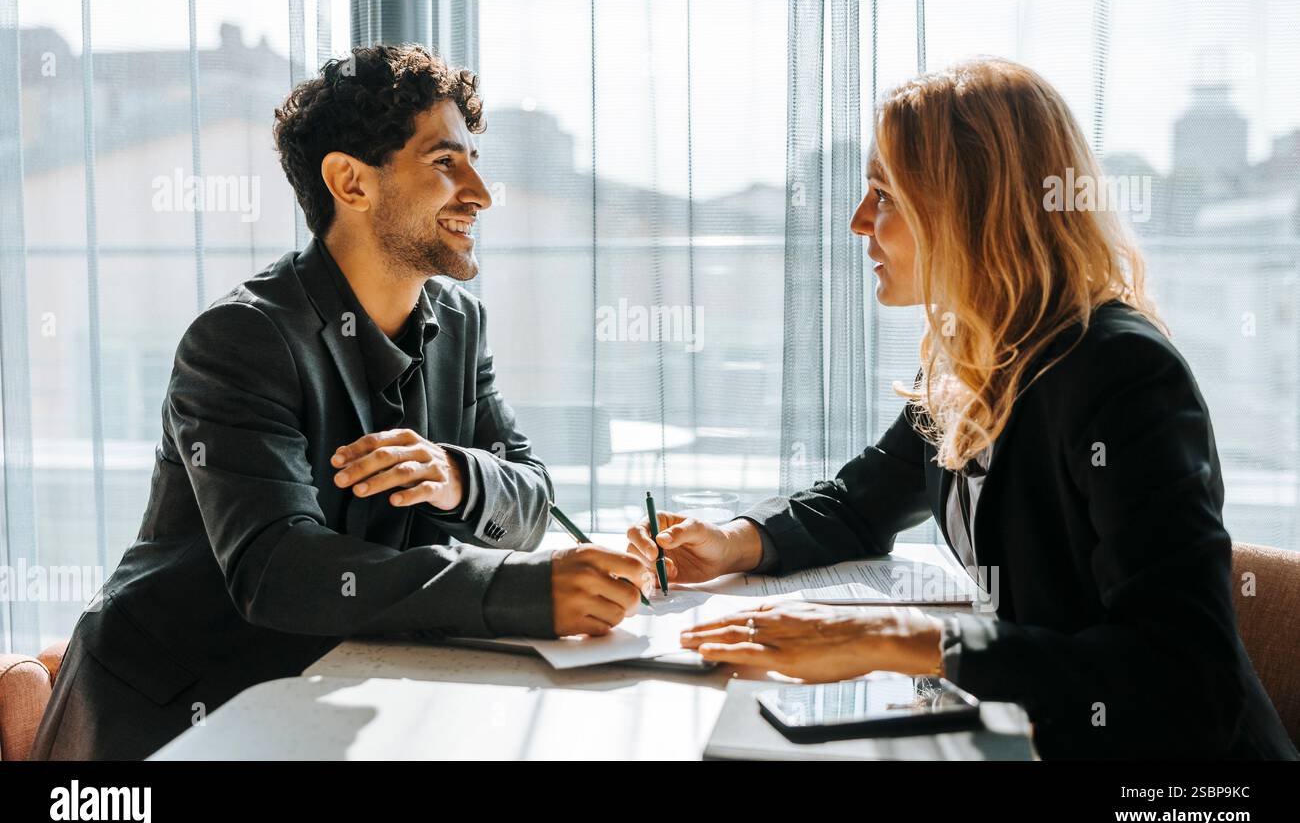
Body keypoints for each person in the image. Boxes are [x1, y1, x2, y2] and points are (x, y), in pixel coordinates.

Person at [628, 58, 1297, 760]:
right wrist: (735, 540)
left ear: (972, 209)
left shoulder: (1122, 373)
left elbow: (1184, 680)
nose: (860, 222)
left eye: (883, 196)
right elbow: (860, 504)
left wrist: (899, 642)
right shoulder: (968, 356)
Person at [33, 44, 651, 760]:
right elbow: (280, 571)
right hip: (172, 718)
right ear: (350, 183)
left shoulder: (459, 323)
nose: (480, 191)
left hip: (342, 696)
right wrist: (516, 591)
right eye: (446, 162)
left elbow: (532, 502)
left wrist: (455, 474)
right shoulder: (240, 338)